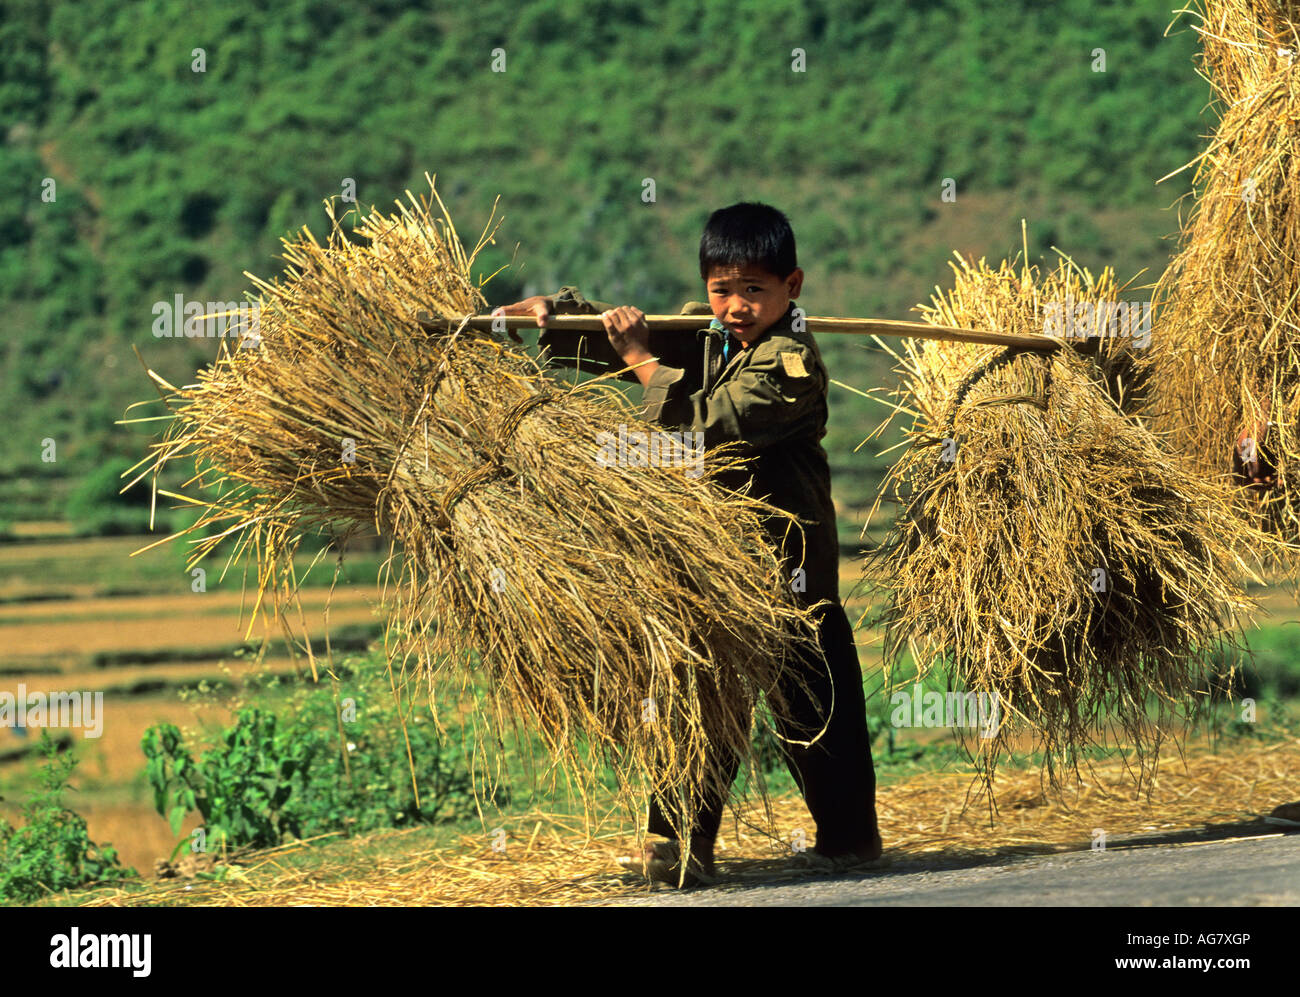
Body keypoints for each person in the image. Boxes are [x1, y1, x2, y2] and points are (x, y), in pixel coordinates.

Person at [494, 202, 881, 886]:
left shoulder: (789, 365)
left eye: (754, 290)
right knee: (698, 692)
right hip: (716, 565)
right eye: (721, 290)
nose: (735, 306)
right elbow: (628, 339)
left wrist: (641, 359)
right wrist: (561, 315)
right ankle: (676, 845)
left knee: (817, 711)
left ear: (792, 287)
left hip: (787, 571)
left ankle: (850, 840)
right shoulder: (708, 335)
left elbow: (704, 425)